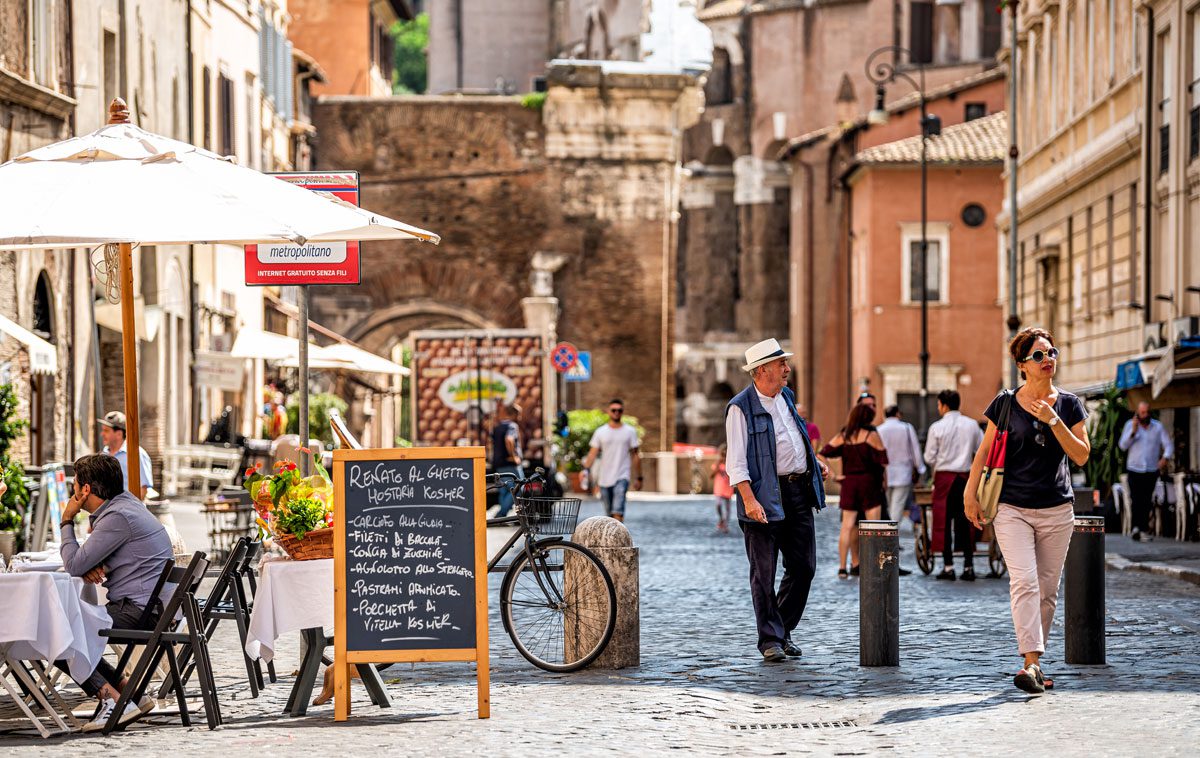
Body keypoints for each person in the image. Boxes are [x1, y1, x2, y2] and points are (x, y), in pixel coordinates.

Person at [966, 327, 1090, 694]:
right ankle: (1033, 661)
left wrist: (1054, 420)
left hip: (1056, 509)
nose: (1047, 359)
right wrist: (969, 494)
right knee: (1025, 581)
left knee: (1048, 591)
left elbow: (1081, 454)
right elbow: (984, 452)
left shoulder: (1068, 405)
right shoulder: (1005, 403)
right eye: (1038, 355)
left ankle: (1031, 665)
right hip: (1011, 507)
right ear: (1022, 364)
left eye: (1051, 352)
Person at [725, 338, 828, 662]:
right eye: (781, 363)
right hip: (763, 497)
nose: (787, 369)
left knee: (804, 567)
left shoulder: (786, 397)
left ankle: (781, 629)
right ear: (762, 370)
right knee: (763, 573)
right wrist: (750, 500)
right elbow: (736, 462)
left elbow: (794, 439)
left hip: (797, 492)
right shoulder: (740, 408)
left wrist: (814, 463)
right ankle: (770, 639)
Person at [56, 454, 174, 731]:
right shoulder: (127, 505)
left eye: (75, 483)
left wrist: (66, 520)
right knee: (69, 625)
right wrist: (90, 564)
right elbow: (87, 561)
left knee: (56, 629)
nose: (73, 490)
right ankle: (129, 693)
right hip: (153, 607)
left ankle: (109, 699)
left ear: (85, 490)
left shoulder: (117, 517)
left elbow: (73, 564)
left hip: (140, 611)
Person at [821, 404, 888, 578]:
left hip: (849, 483)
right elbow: (883, 460)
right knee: (873, 527)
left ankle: (843, 567)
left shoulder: (844, 435)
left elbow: (822, 454)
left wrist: (834, 475)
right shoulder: (871, 435)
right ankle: (874, 565)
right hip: (869, 483)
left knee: (847, 526)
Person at [924, 390, 983, 581]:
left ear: (943, 405)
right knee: (966, 522)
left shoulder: (936, 427)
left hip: (944, 479)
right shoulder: (972, 424)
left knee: (943, 522)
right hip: (966, 479)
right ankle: (968, 566)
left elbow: (929, 457)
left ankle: (948, 567)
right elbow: (981, 450)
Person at [1118, 401, 1174, 541]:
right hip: (1134, 468)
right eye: (1143, 412)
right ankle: (1136, 529)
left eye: (1147, 412)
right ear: (1137, 413)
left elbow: (1168, 445)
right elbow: (1122, 446)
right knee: (1136, 499)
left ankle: (1142, 529)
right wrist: (1133, 431)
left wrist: (1164, 459)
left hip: (1150, 469)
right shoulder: (1130, 426)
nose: (1145, 415)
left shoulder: (1158, 427)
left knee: (1146, 500)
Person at [583, 399, 642, 523]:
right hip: (604, 479)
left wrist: (639, 477)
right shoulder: (601, 432)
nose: (616, 413)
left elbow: (636, 455)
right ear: (608, 412)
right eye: (613, 410)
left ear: (622, 412)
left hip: (622, 476)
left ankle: (619, 541)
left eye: (619, 410)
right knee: (609, 514)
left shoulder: (630, 432)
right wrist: (585, 470)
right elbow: (592, 453)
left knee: (618, 511)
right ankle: (612, 539)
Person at [98, 411, 153, 500]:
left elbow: (143, 489)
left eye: (106, 431)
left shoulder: (136, 454)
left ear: (119, 434)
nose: (102, 434)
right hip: (108, 511)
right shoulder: (103, 455)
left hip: (129, 511)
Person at [491, 402, 524, 517]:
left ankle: (501, 515)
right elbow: (509, 439)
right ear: (514, 414)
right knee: (518, 487)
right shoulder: (512, 426)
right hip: (510, 463)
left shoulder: (497, 427)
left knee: (504, 489)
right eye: (519, 415)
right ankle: (501, 514)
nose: (520, 417)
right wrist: (514, 456)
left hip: (499, 463)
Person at [712, 443, 733, 533]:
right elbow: (711, 475)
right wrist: (718, 464)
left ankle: (725, 525)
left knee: (728, 508)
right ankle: (721, 519)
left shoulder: (730, 462)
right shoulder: (718, 462)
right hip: (719, 487)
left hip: (728, 487)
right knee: (718, 504)